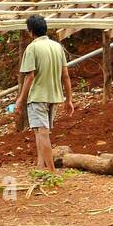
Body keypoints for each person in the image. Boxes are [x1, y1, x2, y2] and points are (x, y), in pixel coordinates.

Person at [14, 14, 73, 170]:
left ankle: (51, 172)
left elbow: (29, 77)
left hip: (38, 96)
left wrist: (20, 99)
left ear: (30, 31)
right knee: (40, 133)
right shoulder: (57, 47)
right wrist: (69, 99)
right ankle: (40, 167)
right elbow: (65, 75)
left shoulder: (32, 48)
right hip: (54, 96)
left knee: (42, 133)